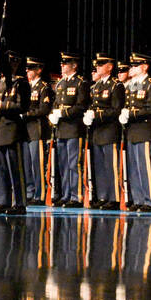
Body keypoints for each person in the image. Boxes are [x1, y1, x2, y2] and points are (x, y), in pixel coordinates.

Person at [0, 49, 29, 215]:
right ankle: (3, 201)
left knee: (14, 168)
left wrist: (2, 106)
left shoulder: (20, 83)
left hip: (12, 130)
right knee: (0, 168)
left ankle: (19, 202)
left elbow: (22, 106)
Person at [120, 52, 151, 210]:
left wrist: (131, 114)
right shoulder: (132, 85)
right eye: (132, 65)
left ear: (145, 67)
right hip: (133, 130)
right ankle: (137, 199)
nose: (132, 68)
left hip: (145, 129)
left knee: (145, 167)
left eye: (136, 65)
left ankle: (149, 200)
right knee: (134, 167)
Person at [85, 53, 125, 209]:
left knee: (110, 165)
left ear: (110, 66)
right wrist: (90, 114)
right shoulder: (97, 86)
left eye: (101, 64)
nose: (98, 67)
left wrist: (97, 114)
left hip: (109, 130)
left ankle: (113, 197)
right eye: (97, 64)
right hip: (97, 130)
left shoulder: (116, 85)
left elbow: (116, 110)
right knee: (99, 166)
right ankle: (102, 196)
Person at [51, 52, 89, 207]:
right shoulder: (60, 84)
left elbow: (81, 106)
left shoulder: (81, 82)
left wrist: (63, 113)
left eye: (66, 63)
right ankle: (66, 194)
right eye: (62, 63)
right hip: (61, 129)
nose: (62, 65)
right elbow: (56, 103)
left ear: (74, 65)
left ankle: (76, 195)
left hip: (74, 128)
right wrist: (54, 113)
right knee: (63, 164)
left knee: (74, 164)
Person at [23, 58, 53, 203]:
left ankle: (39, 194)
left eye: (31, 68)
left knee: (37, 163)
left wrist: (27, 114)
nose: (27, 71)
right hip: (25, 130)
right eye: (27, 68)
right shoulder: (26, 86)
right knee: (27, 163)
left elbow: (44, 109)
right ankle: (29, 191)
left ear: (38, 70)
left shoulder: (43, 87)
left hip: (37, 128)